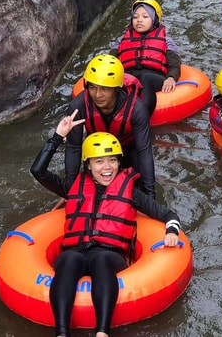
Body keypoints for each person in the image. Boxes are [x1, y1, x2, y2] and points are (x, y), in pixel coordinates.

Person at [30, 114, 182, 337]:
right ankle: (61, 333)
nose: (107, 167)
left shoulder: (131, 191)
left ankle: (103, 332)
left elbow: (168, 214)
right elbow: (38, 171)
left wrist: (171, 230)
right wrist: (57, 137)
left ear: (119, 162)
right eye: (99, 161)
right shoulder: (72, 186)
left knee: (100, 260)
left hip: (109, 254)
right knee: (69, 259)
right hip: (76, 251)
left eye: (112, 160)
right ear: (88, 166)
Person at [65, 54, 157, 200]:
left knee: (138, 186)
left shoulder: (137, 109)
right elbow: (73, 147)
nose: (97, 95)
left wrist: (150, 195)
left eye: (104, 89)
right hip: (98, 150)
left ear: (116, 89)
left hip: (129, 147)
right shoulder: (78, 106)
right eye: (93, 87)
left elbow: (144, 151)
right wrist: (70, 190)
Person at [114, 0, 182, 115]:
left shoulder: (166, 41)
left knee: (145, 78)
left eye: (145, 16)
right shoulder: (121, 40)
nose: (139, 20)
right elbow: (111, 62)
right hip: (128, 79)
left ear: (155, 19)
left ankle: (140, 117)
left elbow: (174, 63)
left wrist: (171, 77)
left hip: (153, 78)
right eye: (135, 17)